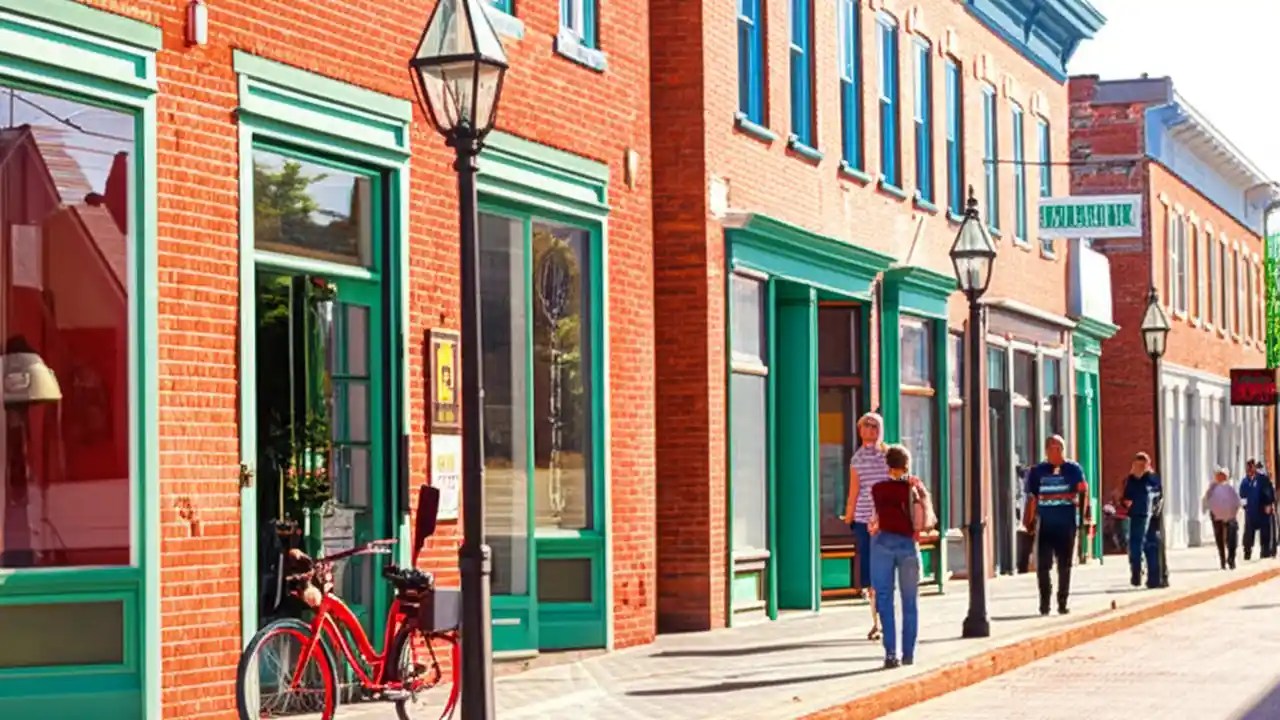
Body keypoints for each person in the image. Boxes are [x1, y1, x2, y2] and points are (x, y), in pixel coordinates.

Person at [868, 444, 926, 669]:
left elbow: (877, 517)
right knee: (910, 602)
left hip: (882, 544)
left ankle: (891, 653)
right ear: (906, 465)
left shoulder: (878, 489)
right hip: (908, 546)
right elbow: (925, 513)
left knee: (884, 598)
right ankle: (909, 653)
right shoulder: (914, 487)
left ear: (887, 466)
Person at [1022, 435, 1089, 615]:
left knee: (1064, 565)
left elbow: (1083, 491)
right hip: (1045, 525)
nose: (1056, 451)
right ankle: (1044, 603)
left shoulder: (1073, 469)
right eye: (1052, 448)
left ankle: (1062, 602)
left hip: (1066, 523)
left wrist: (1083, 519)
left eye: (1059, 448)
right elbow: (1032, 498)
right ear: (1046, 451)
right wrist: (1028, 521)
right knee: (1043, 566)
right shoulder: (1037, 471)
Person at [840, 412, 888, 642]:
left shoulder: (868, 458)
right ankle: (878, 620)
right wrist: (850, 516)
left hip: (875, 519)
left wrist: (848, 517)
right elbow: (854, 492)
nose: (870, 431)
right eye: (866, 426)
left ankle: (879, 620)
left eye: (873, 426)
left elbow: (854, 493)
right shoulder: (867, 458)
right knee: (876, 569)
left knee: (876, 569)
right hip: (874, 518)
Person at [1122, 452, 1162, 588]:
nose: (1139, 467)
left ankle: (1146, 576)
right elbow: (1126, 496)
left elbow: (1157, 494)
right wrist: (1125, 503)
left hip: (1148, 515)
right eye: (1137, 464)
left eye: (1142, 464)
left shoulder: (1152, 478)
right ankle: (1137, 572)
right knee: (1136, 546)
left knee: (1143, 546)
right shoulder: (1131, 479)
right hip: (1135, 515)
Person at [1202, 467, 1241, 570]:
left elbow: (1237, 501)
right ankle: (1223, 560)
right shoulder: (1213, 487)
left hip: (1230, 516)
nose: (1220, 477)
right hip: (1217, 517)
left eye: (1223, 475)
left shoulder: (1230, 486)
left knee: (1232, 538)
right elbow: (1206, 500)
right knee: (1220, 539)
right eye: (1219, 475)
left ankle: (1231, 559)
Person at [1240, 459, 1276, 560]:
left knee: (1265, 532)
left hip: (1262, 510)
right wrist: (1245, 506)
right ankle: (1247, 552)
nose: (1249, 470)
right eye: (1247, 468)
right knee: (1248, 534)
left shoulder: (1262, 479)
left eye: (1251, 467)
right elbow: (1242, 495)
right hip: (1251, 512)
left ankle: (1265, 552)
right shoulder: (1245, 481)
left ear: (1254, 467)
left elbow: (1268, 491)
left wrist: (1268, 504)